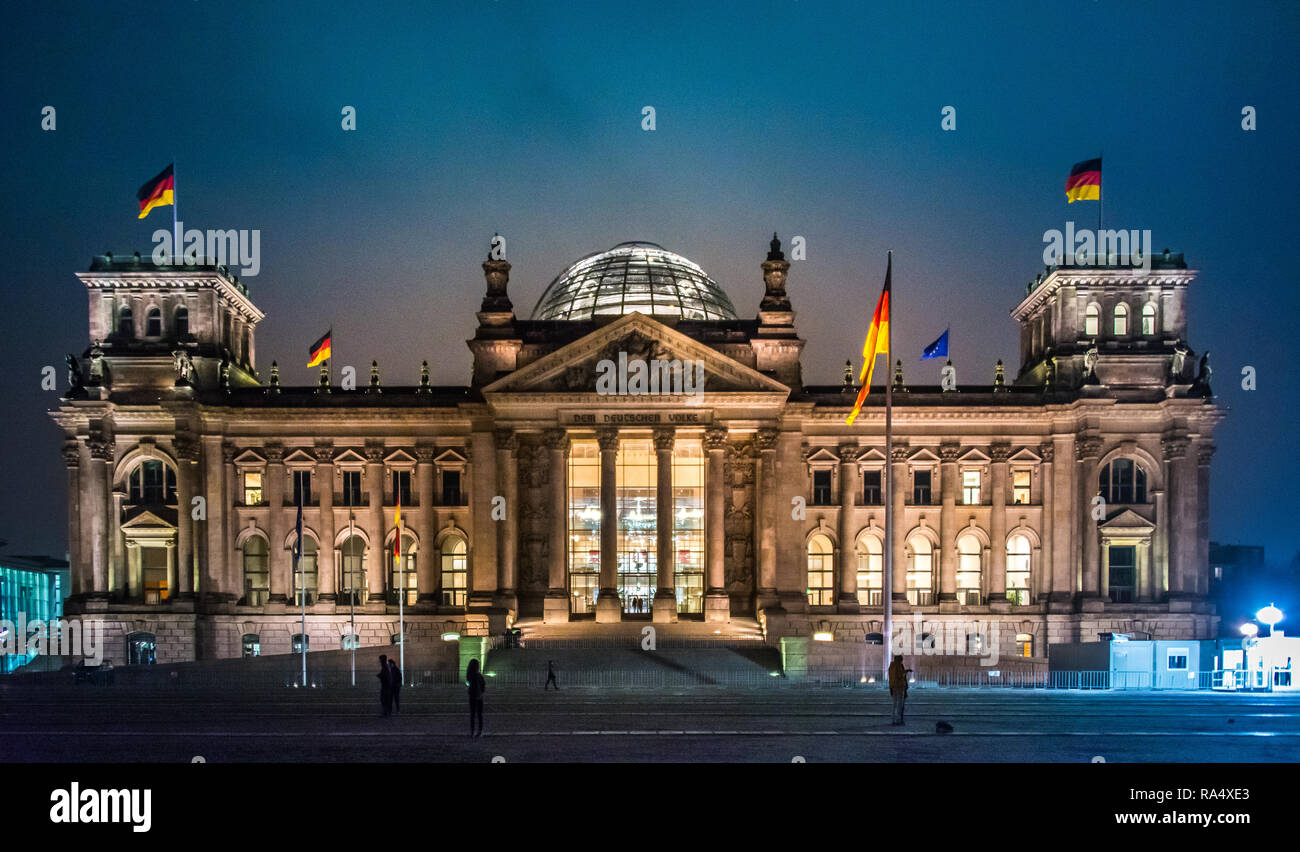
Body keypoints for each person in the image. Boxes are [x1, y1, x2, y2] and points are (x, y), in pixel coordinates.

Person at [466, 657, 486, 737]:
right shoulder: (479, 676)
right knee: (479, 715)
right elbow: (483, 686)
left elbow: (468, 684)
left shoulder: (469, 675)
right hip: (479, 697)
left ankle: (472, 732)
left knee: (472, 715)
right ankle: (480, 731)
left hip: (472, 697)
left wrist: (469, 686)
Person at [888, 654, 909, 726]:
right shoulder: (898, 666)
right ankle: (898, 720)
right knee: (900, 704)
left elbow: (891, 678)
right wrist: (906, 672)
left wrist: (890, 687)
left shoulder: (891, 667)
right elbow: (900, 675)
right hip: (899, 687)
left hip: (893, 687)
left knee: (894, 704)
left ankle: (893, 719)